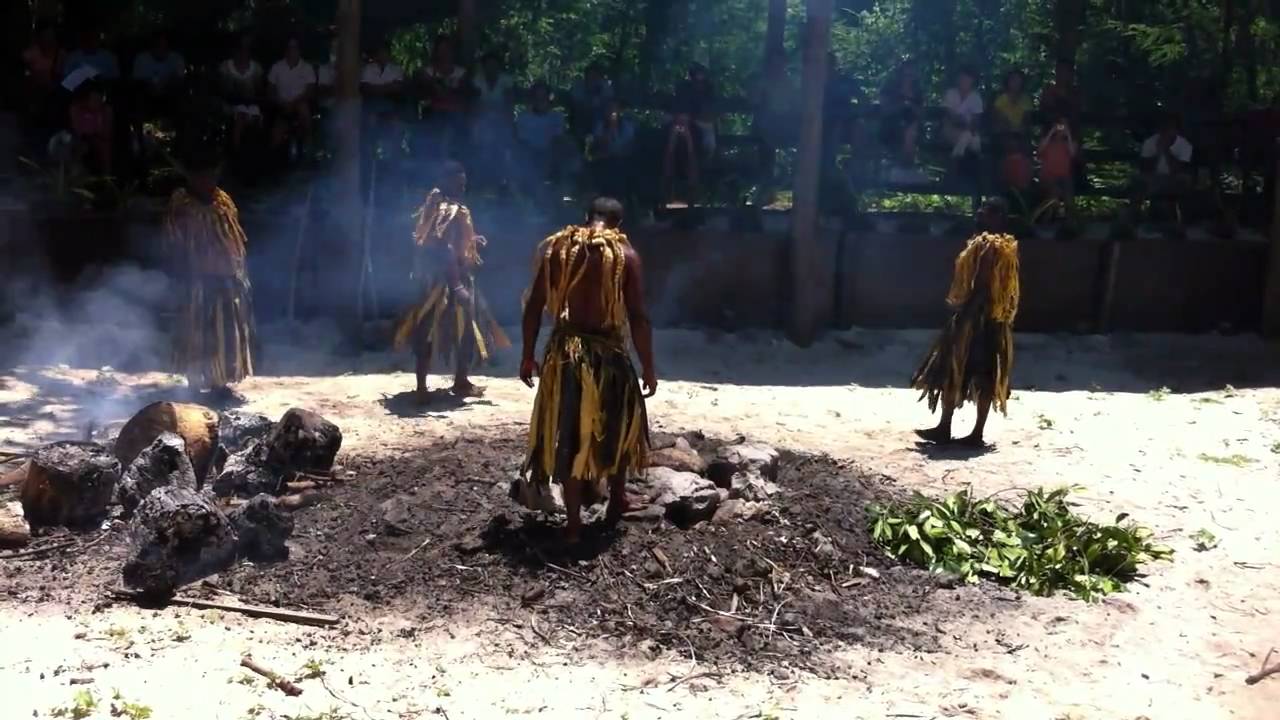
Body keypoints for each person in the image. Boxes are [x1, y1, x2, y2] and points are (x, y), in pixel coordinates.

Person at [514, 197, 656, 544]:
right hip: (608, 353)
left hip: (567, 355)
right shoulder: (626, 257)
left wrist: (527, 354)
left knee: (570, 432)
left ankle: (575, 525)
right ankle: (616, 500)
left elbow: (534, 304)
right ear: (618, 225)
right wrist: (649, 366)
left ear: (585, 218)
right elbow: (637, 317)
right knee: (621, 421)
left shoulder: (558, 250)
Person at [393, 161, 509, 401]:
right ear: (446, 181)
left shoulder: (440, 205)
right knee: (435, 330)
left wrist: (470, 242)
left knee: (463, 330)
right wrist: (457, 286)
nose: (463, 186)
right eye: (459, 182)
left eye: (464, 182)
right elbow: (444, 248)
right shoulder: (446, 209)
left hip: (447, 277)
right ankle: (425, 388)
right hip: (444, 282)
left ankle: (457, 381)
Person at [911, 199, 1019, 447]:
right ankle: (949, 428)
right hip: (988, 318)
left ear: (998, 218)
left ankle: (970, 432)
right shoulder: (999, 246)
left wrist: (968, 312)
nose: (981, 216)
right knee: (958, 371)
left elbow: (983, 283)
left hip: (980, 320)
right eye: (981, 213)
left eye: (987, 214)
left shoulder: (991, 247)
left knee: (968, 370)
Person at [164, 148, 256, 401]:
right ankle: (195, 383)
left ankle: (219, 383)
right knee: (196, 332)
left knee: (225, 333)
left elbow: (235, 239)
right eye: (203, 177)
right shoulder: (182, 204)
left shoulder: (223, 201)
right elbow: (176, 242)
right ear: (192, 178)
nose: (209, 181)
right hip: (197, 278)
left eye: (212, 176)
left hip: (226, 276)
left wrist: (237, 272)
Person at [1133, 114, 1193, 213]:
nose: (1166, 131)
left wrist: (1166, 151)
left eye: (1170, 128)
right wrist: (1157, 153)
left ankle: (1182, 217)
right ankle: (1134, 216)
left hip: (1175, 178)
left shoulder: (1185, 145)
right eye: (1163, 128)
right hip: (1154, 177)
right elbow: (1145, 169)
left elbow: (1178, 169)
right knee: (1138, 181)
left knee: (1184, 180)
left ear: (1176, 130)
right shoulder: (1150, 142)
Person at [267, 37, 317, 152]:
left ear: (299, 50)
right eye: (289, 48)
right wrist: (280, 101)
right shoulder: (277, 67)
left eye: (295, 48)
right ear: (285, 50)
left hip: (300, 104)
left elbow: (310, 91)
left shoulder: (307, 68)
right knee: (276, 136)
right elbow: (270, 89)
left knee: (303, 108)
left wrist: (294, 103)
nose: (292, 51)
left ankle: (308, 145)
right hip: (280, 105)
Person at [220, 35, 264, 152]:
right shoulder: (226, 67)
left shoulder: (256, 67)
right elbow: (224, 89)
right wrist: (236, 89)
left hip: (251, 102)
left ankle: (256, 150)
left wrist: (251, 91)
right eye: (241, 48)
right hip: (232, 103)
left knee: (255, 116)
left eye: (247, 49)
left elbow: (259, 89)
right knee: (241, 114)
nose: (244, 52)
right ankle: (236, 149)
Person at [589, 99, 637, 199]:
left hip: (622, 161)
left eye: (614, 109)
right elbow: (599, 145)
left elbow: (629, 147)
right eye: (609, 109)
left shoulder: (627, 126)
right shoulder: (601, 126)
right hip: (605, 160)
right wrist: (610, 129)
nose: (612, 112)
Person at [132, 32, 186, 115]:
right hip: (146, 95)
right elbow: (138, 81)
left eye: (164, 43)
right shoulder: (141, 58)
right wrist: (151, 88)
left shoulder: (176, 58)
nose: (161, 47)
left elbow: (179, 78)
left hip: (170, 95)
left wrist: (165, 86)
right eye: (158, 44)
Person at [67, 81, 114, 175]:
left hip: (100, 141)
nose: (98, 102)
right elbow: (77, 130)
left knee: (104, 149)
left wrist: (99, 121)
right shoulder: (77, 109)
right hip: (82, 141)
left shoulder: (106, 110)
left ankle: (105, 179)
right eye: (94, 99)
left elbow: (106, 132)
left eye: (100, 99)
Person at [1037, 117, 1077, 215]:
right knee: (1054, 194)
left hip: (1064, 176)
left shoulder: (1070, 142)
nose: (1060, 128)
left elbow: (1072, 153)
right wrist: (1051, 132)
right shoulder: (1046, 141)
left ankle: (1069, 221)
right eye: (1059, 125)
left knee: (1069, 198)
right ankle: (1051, 218)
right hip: (1048, 176)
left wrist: (1067, 134)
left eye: (1063, 126)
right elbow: (1040, 151)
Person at [943, 67, 984, 159]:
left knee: (970, 137)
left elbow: (976, 121)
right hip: (950, 130)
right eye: (962, 78)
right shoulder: (950, 93)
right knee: (972, 139)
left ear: (972, 81)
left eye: (967, 79)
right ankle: (972, 162)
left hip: (969, 131)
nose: (964, 81)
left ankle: (956, 159)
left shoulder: (976, 97)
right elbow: (951, 117)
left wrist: (969, 126)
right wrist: (964, 123)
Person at [569, 62, 614, 138]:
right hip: (581, 118)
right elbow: (576, 102)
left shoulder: (605, 87)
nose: (593, 79)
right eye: (590, 75)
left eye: (595, 76)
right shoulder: (579, 86)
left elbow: (609, 101)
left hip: (601, 118)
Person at [992, 69, 1032, 139]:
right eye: (1013, 79)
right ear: (1008, 82)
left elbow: (1027, 118)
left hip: (1020, 134)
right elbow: (997, 117)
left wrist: (1021, 129)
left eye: (1018, 80)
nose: (1015, 83)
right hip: (1003, 133)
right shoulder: (1001, 98)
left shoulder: (1026, 99)